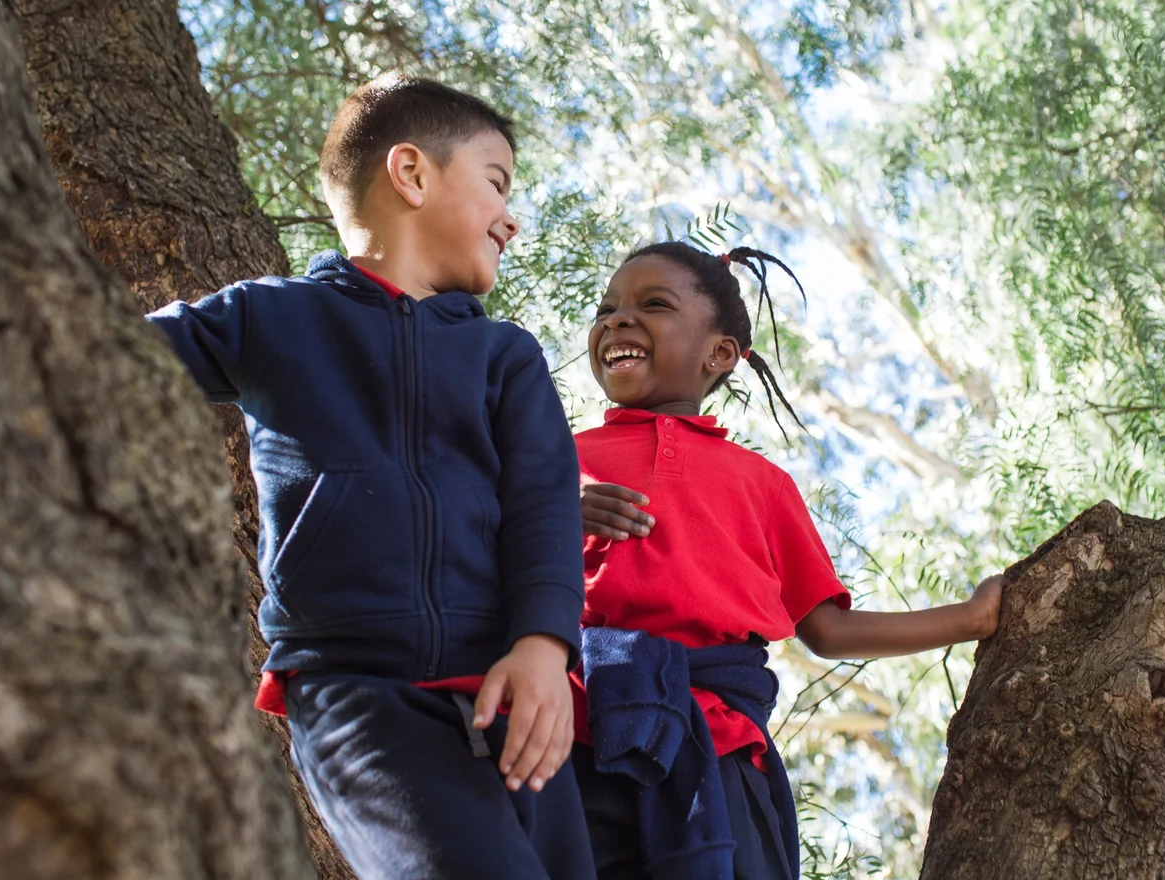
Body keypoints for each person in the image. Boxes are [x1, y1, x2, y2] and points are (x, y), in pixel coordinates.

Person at [148, 75, 592, 880]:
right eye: (496, 184)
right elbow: (94, 353)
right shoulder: (268, 318)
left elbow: (543, 508)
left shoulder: (506, 358)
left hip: (513, 693)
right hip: (358, 693)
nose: (511, 217)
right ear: (412, 173)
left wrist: (543, 647)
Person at [572, 241, 1005, 880]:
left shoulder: (764, 482)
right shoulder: (553, 454)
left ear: (721, 354)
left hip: (718, 745)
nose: (616, 320)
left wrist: (969, 619)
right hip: (577, 730)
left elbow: (829, 630)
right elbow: (471, 548)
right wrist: (551, 502)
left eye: (653, 305)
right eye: (606, 309)